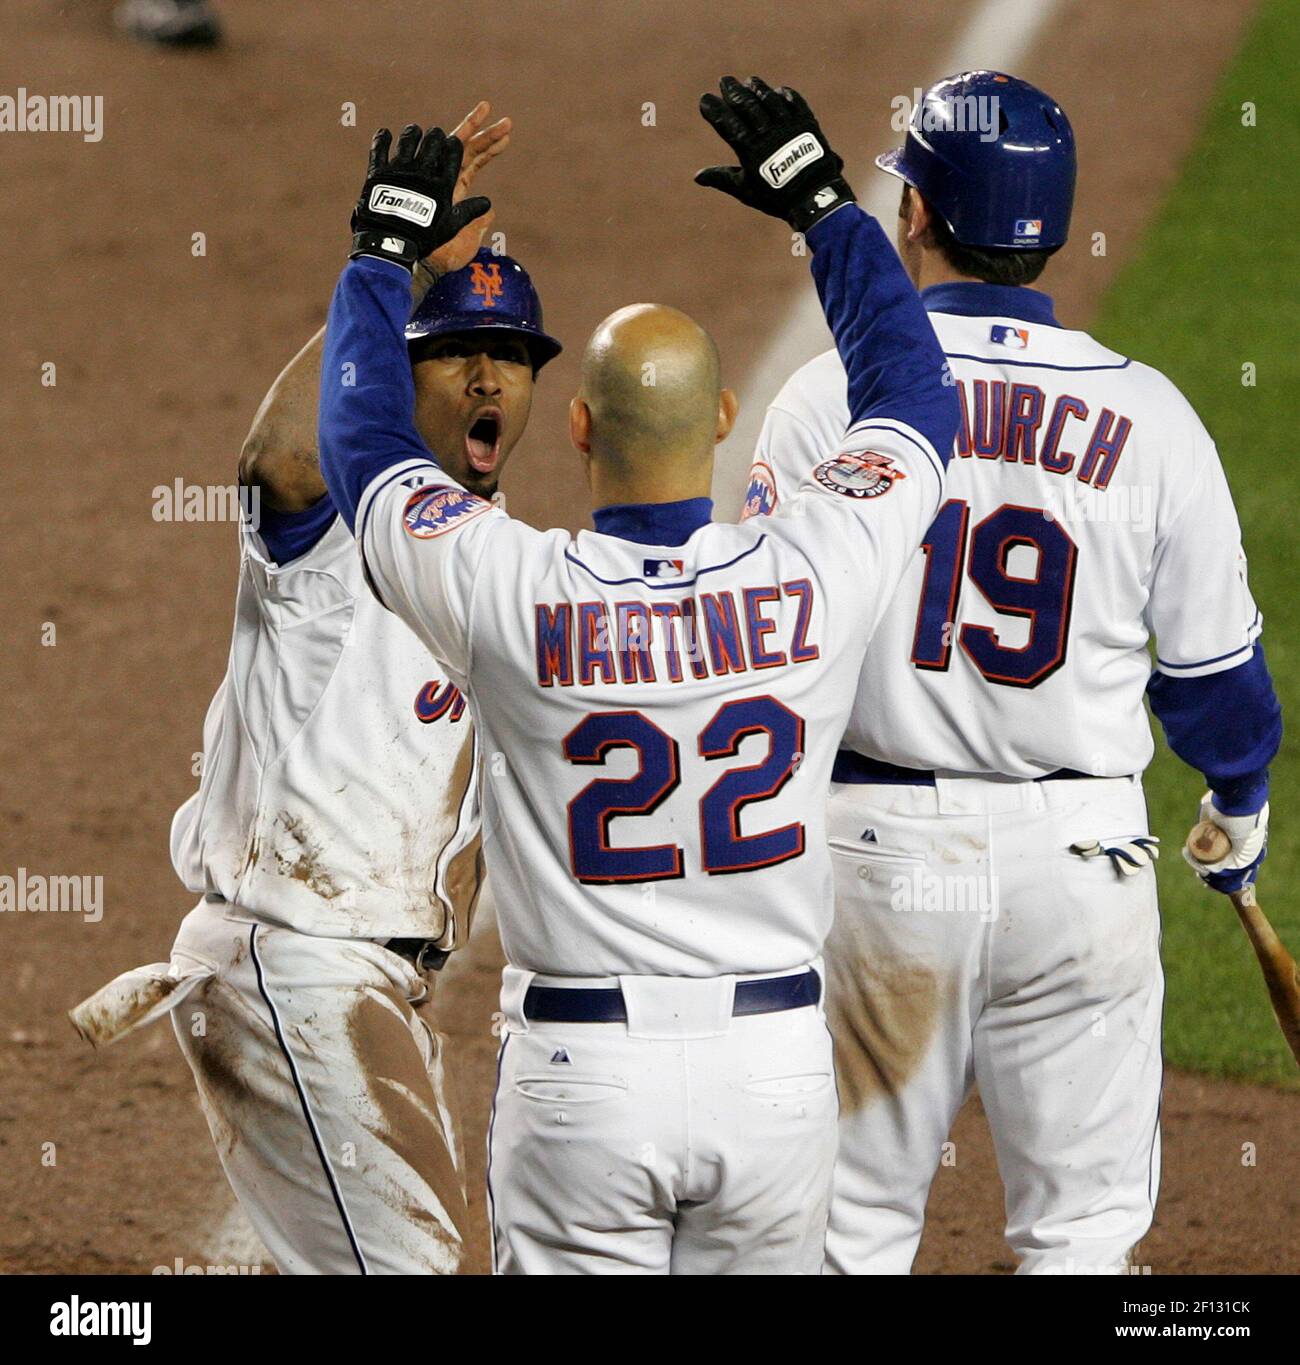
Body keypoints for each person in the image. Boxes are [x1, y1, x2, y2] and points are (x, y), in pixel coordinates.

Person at [316, 78, 959, 1274]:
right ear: (723, 419)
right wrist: (823, 207)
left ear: (577, 428)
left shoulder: (509, 588)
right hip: (773, 1070)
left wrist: (381, 254)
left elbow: (363, 445)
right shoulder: (820, 566)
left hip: (583, 1079)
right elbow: (915, 396)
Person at [741, 70, 1283, 1275]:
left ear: (915, 215)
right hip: (1080, 867)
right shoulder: (1154, 418)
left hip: (875, 862)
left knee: (845, 1232)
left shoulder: (829, 398)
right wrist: (1236, 808)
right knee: (1082, 1236)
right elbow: (1216, 686)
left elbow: (763, 655)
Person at [69, 104, 563, 1274]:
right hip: (295, 963)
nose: (488, 376)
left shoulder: (497, 557)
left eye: (512, 356)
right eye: (455, 351)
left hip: (366, 980)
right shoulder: (335, 521)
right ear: (395, 373)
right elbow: (276, 463)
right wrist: (387, 266)